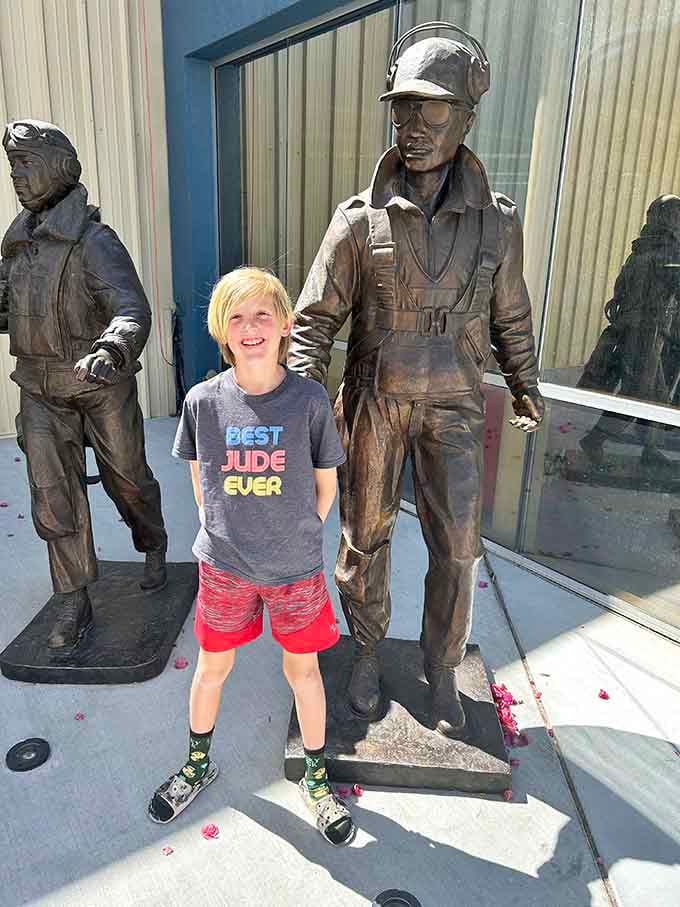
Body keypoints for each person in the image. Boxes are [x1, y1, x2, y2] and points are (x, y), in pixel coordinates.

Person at [288, 24, 543, 737]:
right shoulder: (356, 219)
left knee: (458, 550)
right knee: (363, 539)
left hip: (456, 409)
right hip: (374, 405)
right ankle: (366, 652)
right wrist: (301, 399)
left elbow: (511, 312)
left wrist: (523, 379)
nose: (413, 126)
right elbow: (312, 324)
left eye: (432, 110)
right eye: (402, 109)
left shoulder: (498, 225)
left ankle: (441, 666)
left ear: (466, 116)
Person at [148, 267, 355, 846]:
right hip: (224, 570)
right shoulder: (203, 403)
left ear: (285, 324)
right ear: (221, 330)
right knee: (211, 669)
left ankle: (316, 779)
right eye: (236, 317)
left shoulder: (309, 401)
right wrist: (227, 535)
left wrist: (294, 535)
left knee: (304, 672)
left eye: (263, 314)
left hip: (296, 573)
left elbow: (324, 486)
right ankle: (196, 765)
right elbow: (201, 483)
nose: (250, 327)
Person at [0, 119, 167, 649]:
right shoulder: (17, 248)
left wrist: (112, 349)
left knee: (128, 481)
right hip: (39, 390)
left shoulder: (94, 241)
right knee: (53, 498)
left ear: (60, 166)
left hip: (99, 385)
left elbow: (131, 308)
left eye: (26, 164)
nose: (17, 177)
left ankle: (153, 539)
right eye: (12, 167)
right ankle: (73, 600)